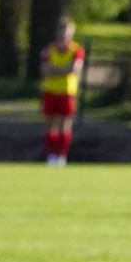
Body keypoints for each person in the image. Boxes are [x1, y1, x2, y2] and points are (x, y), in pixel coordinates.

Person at [38, 18, 85, 167]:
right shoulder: (49, 50)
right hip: (51, 91)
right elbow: (45, 70)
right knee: (50, 125)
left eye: (68, 31)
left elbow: (75, 69)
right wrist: (64, 70)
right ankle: (51, 156)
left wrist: (56, 70)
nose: (65, 34)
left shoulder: (76, 50)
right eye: (62, 31)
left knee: (65, 125)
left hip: (67, 92)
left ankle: (62, 156)